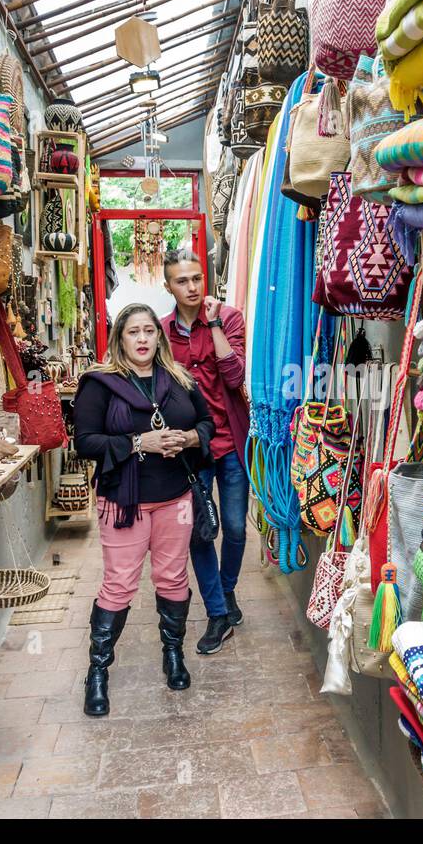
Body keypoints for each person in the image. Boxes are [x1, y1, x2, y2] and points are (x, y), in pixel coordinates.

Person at [73, 303, 215, 715]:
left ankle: (174, 655)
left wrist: (187, 440)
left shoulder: (180, 378)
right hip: (124, 502)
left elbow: (207, 425)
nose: (141, 339)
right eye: (132, 332)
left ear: (159, 335)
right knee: (119, 584)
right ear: (120, 338)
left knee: (172, 578)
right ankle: (97, 671)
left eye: (148, 331)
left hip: (177, 499)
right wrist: (140, 443)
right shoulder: (100, 384)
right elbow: (85, 441)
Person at [162, 250, 250, 655]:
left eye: (197, 278)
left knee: (233, 527)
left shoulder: (228, 318)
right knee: (199, 533)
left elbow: (233, 377)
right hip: (190, 449)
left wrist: (213, 323)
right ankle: (217, 612)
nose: (192, 287)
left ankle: (227, 590)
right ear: (169, 287)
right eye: (182, 281)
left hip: (230, 441)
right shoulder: (161, 332)